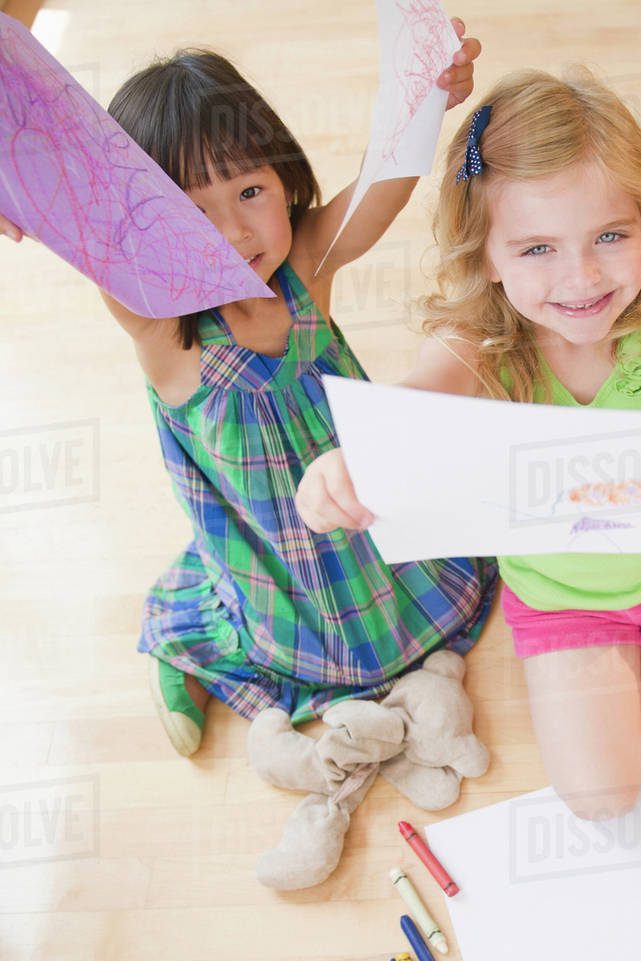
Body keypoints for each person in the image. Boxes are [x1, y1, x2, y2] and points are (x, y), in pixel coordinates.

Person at [295, 69, 641, 820]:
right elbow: (412, 406)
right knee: (599, 800)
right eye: (537, 248)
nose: (582, 277)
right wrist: (351, 464)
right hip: (560, 601)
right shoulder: (482, 344)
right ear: (486, 253)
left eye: (609, 236)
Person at [1, 29, 497, 756]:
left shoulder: (305, 262)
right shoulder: (162, 327)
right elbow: (79, 218)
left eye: (251, 191)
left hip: (359, 515)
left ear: (284, 177)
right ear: (139, 232)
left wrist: (426, 93)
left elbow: (383, 179)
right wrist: (18, 185)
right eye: (191, 214)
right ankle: (181, 656)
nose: (234, 233)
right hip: (272, 560)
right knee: (260, 629)